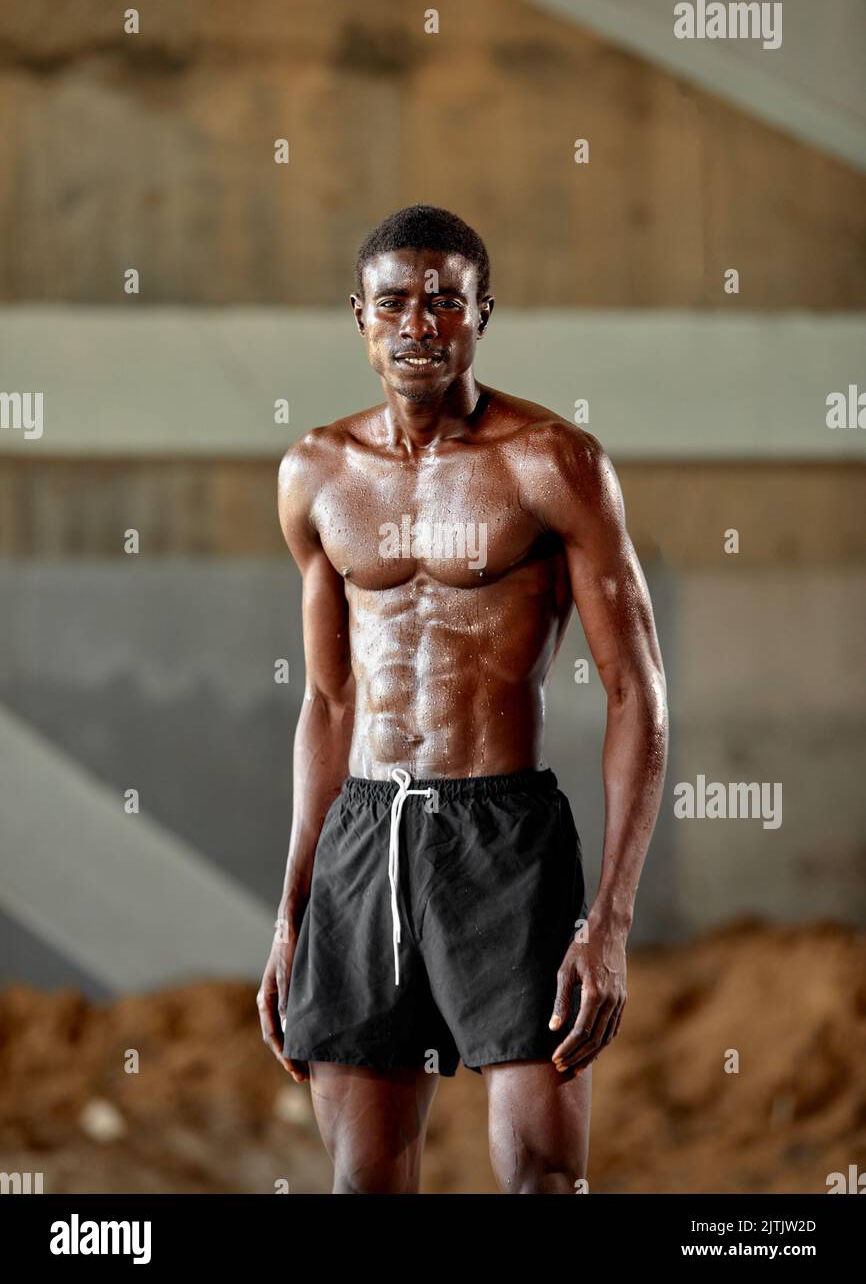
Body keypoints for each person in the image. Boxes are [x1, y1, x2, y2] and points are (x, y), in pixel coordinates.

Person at [257, 203, 668, 1193]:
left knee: (539, 1175)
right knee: (364, 1181)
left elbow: (635, 696)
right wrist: (291, 910)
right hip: (362, 833)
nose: (418, 323)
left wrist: (606, 924)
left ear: (483, 314)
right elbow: (327, 701)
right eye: (394, 301)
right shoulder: (314, 472)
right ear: (358, 316)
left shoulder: (552, 463)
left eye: (445, 301)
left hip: (503, 839)